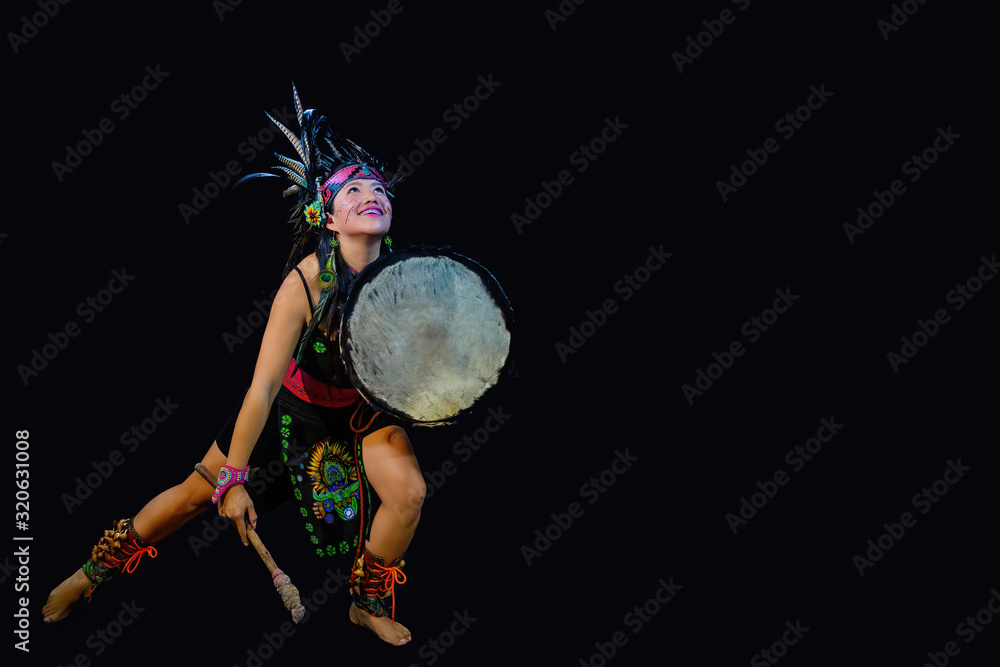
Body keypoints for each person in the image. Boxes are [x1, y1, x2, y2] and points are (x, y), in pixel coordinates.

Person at [42, 89, 424, 647]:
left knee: (409, 493)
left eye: (379, 190)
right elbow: (264, 385)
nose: (372, 196)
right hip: (294, 406)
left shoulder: (411, 275)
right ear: (328, 214)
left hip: (364, 413)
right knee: (192, 496)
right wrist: (236, 477)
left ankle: (365, 604)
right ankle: (89, 574)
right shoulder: (304, 283)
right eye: (355, 190)